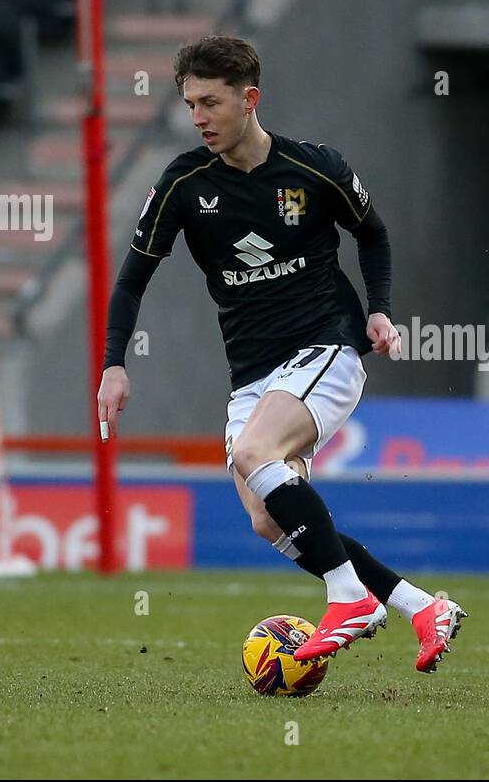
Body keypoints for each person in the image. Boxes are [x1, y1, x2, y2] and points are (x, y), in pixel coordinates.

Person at [97, 35, 465, 671]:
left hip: (326, 346)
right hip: (252, 374)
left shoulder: (314, 168)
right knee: (270, 520)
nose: (199, 117)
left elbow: (371, 233)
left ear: (250, 98)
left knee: (254, 453)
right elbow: (133, 276)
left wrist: (378, 309)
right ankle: (418, 606)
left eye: (210, 102)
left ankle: (348, 597)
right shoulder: (185, 182)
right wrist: (113, 363)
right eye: (190, 105)